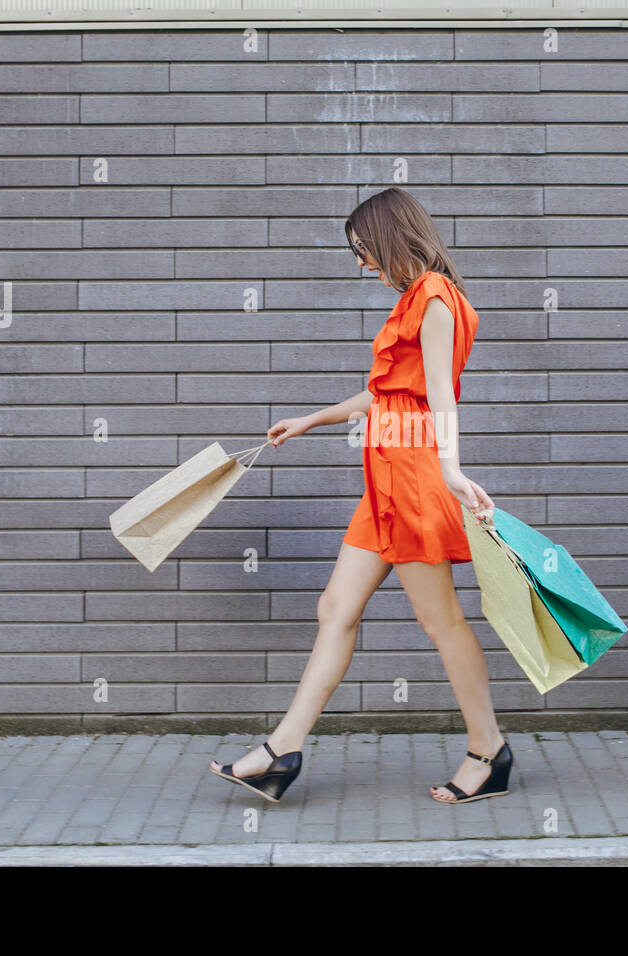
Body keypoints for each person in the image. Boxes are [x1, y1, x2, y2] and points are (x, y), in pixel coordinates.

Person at [209, 186, 512, 805]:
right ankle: (281, 750)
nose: (361, 263)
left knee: (440, 620)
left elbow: (440, 398)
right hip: (384, 481)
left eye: (363, 250)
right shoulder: (415, 301)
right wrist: (308, 419)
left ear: (391, 237)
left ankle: (488, 751)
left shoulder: (432, 297)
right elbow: (386, 396)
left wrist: (452, 471)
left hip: (414, 478)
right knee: (335, 607)